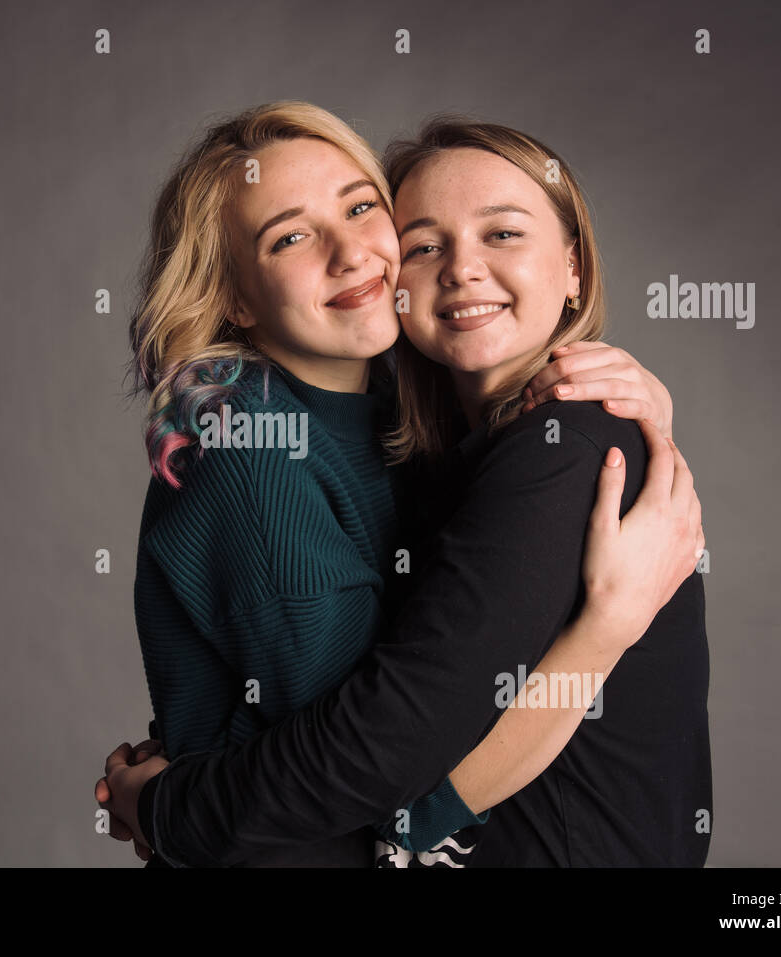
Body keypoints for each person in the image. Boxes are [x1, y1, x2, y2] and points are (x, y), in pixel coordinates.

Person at [104, 103, 704, 866]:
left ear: (576, 263)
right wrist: (166, 807)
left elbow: (385, 771)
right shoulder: (250, 434)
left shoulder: (474, 433)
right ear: (237, 297)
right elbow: (373, 772)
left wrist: (166, 806)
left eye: (361, 209)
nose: (353, 252)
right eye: (290, 236)